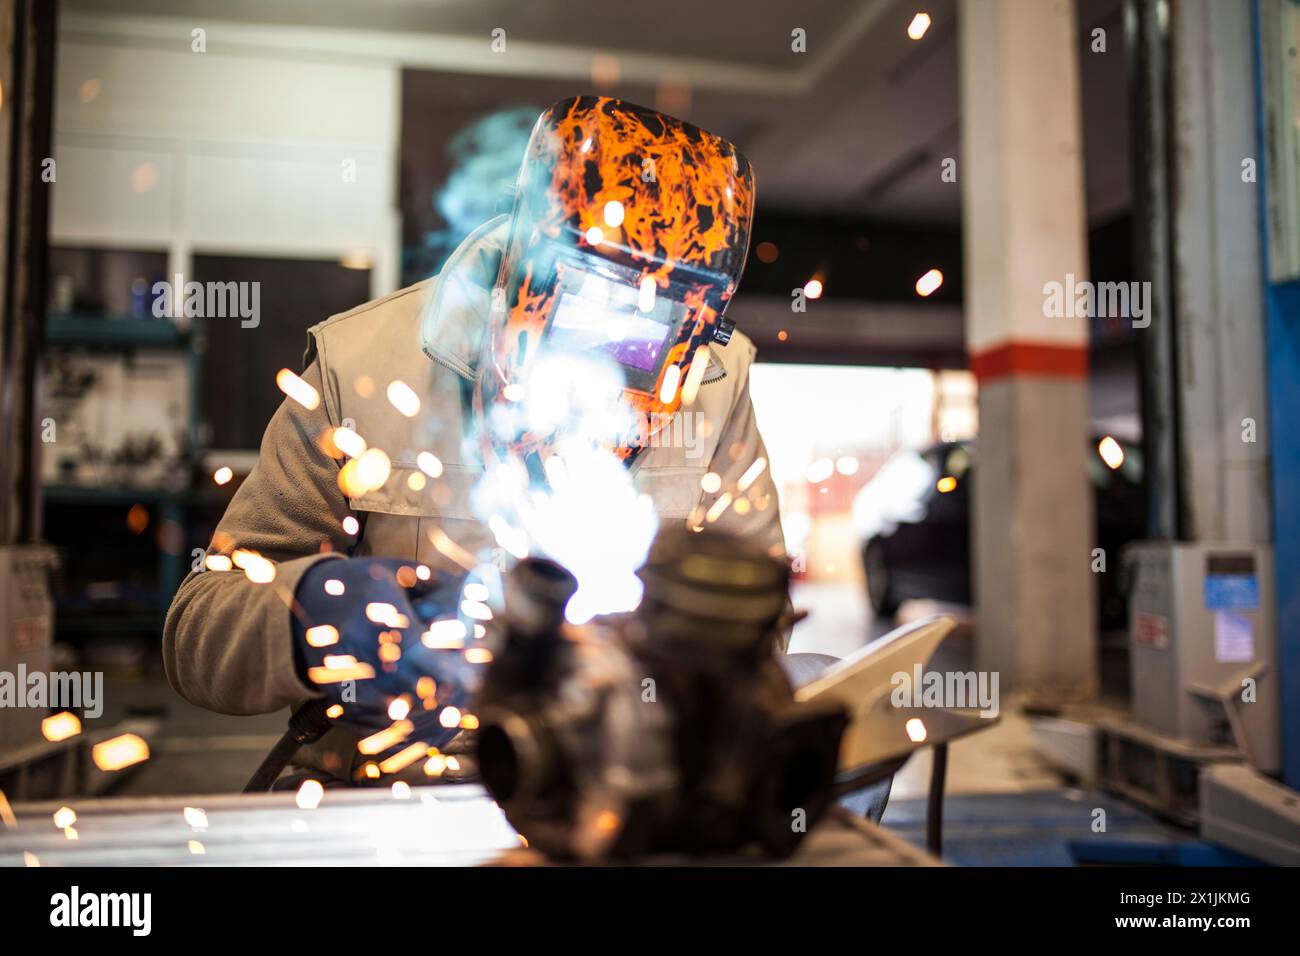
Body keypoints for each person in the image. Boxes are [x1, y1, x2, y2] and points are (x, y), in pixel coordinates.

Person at [163, 97, 785, 784]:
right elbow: (198, 631)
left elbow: (761, 616)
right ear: (529, 256)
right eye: (591, 313)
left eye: (648, 331)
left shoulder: (718, 385)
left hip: (611, 793)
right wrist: (308, 613)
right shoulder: (360, 365)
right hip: (393, 794)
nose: (608, 359)